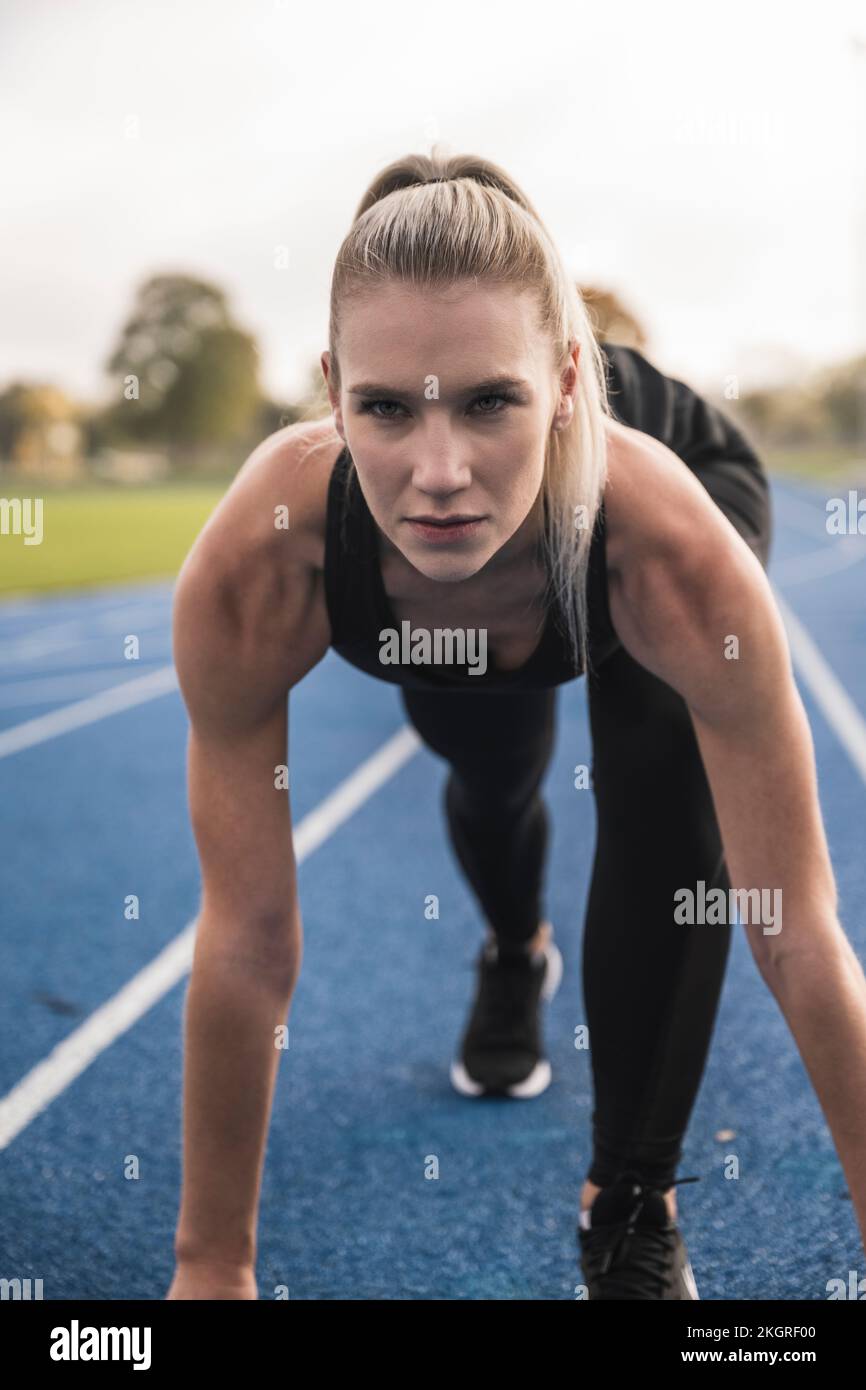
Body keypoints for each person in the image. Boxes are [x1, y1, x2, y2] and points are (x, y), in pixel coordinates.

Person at [166, 152, 866, 1301]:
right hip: (480, 596)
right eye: (385, 409)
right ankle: (511, 947)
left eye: (491, 401)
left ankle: (630, 1202)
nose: (437, 473)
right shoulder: (266, 554)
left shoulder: (666, 549)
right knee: (491, 775)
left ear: (565, 380)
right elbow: (245, 934)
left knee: (659, 783)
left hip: (650, 502)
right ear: (332, 387)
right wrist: (209, 1270)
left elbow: (794, 932)